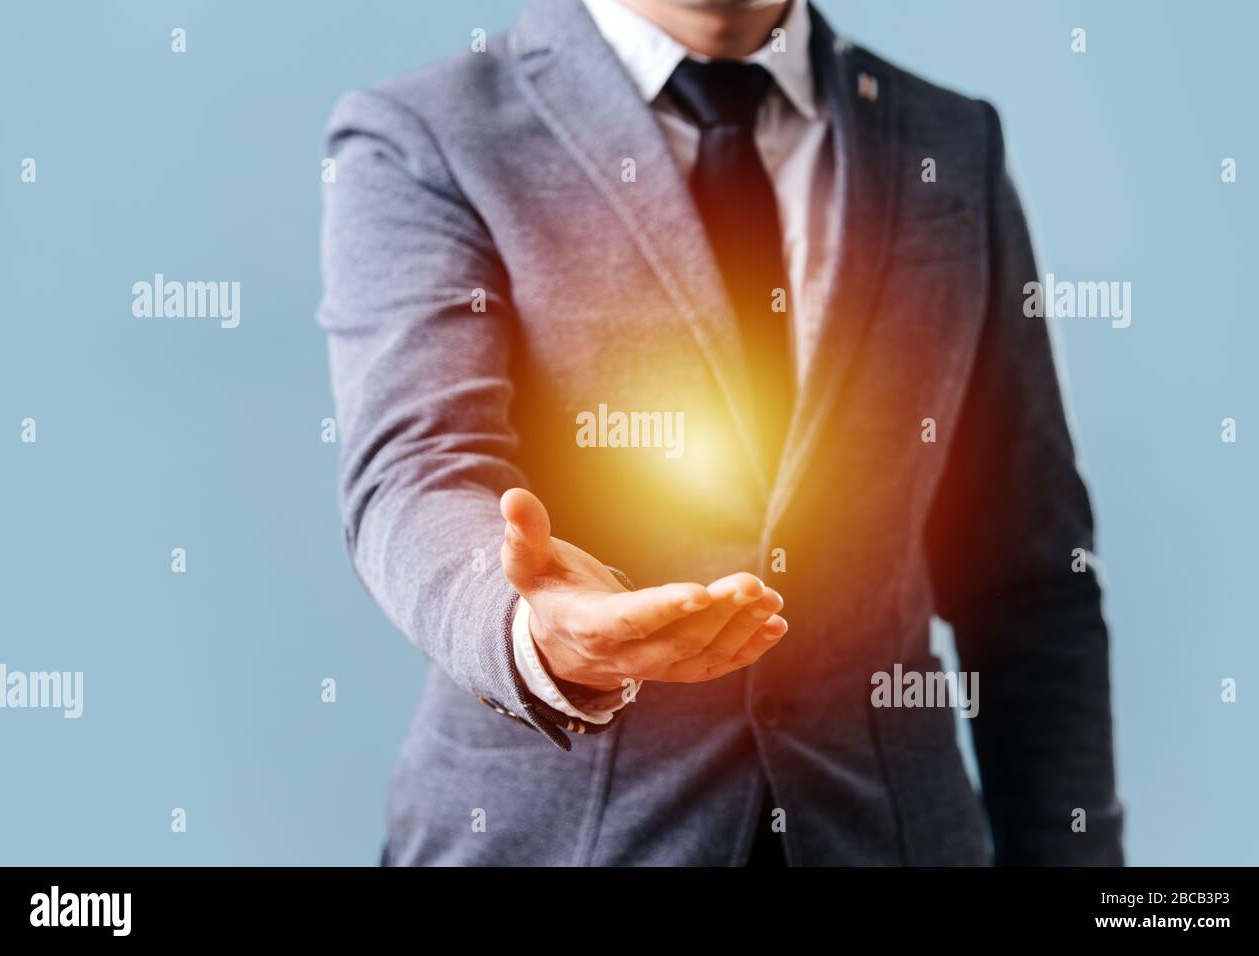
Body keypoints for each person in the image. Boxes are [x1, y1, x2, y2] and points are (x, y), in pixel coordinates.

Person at [318, 0, 1122, 865]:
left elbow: (1029, 580)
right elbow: (416, 468)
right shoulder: (426, 133)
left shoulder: (950, 141)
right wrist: (529, 626)